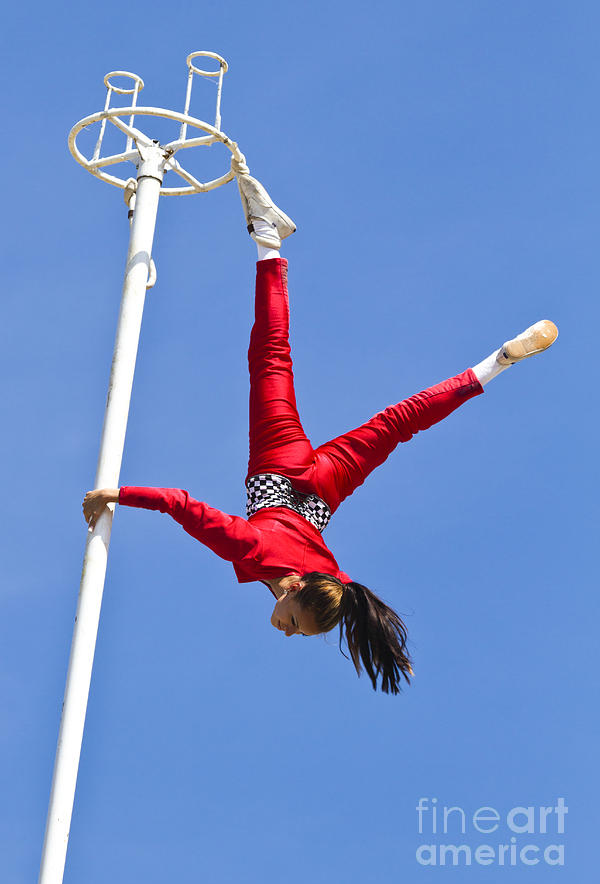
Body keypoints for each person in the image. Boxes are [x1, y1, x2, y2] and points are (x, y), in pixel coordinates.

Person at [83, 167, 558, 694]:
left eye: (296, 631)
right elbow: (183, 506)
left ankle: (490, 367)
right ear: (290, 588)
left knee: (397, 425)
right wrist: (118, 495)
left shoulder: (333, 585)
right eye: (293, 623)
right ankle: (268, 241)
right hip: (278, 471)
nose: (287, 631)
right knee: (270, 359)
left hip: (321, 497)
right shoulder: (255, 554)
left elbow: (345, 596)